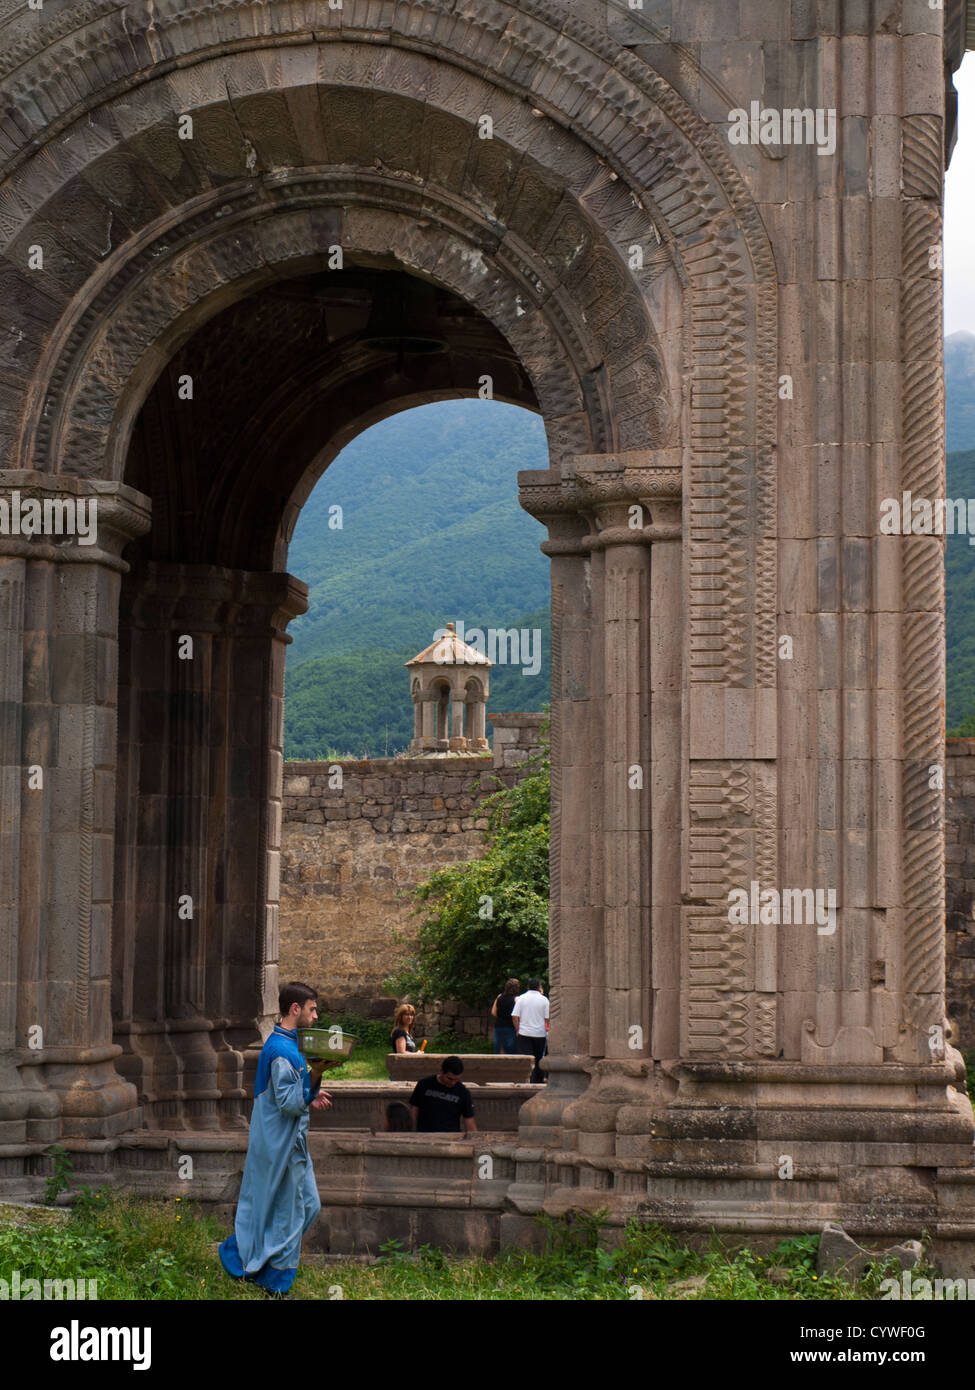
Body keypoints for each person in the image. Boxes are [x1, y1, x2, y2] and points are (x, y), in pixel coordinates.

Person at [219, 981, 336, 1295]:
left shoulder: (286, 1045)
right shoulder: (282, 1049)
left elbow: (284, 1094)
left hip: (289, 1143)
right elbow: (285, 1104)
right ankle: (272, 1281)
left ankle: (255, 1262)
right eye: (312, 1010)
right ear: (295, 1009)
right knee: (289, 1213)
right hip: (278, 1145)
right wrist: (316, 1072)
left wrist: (309, 1092)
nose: (314, 1018)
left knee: (307, 1206)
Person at [409, 1056, 477, 1134]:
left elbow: (469, 1121)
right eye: (449, 1079)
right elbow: (414, 1109)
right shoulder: (424, 1085)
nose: (453, 1083)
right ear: (441, 1071)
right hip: (425, 1134)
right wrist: (412, 1132)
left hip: (451, 1136)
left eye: (456, 1079)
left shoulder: (463, 1092)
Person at [512, 978, 549, 1084]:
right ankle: (538, 1080)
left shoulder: (522, 999)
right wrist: (546, 1029)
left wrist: (518, 1029)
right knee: (538, 1058)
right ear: (539, 987)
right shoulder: (544, 1000)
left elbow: (515, 1016)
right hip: (540, 1034)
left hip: (524, 1033)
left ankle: (527, 1080)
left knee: (526, 1058)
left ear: (528, 987)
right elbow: (547, 1018)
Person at [491, 978, 520, 1054]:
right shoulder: (516, 999)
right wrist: (518, 1028)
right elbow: (516, 1016)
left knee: (499, 1050)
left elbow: (493, 1012)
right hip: (511, 1027)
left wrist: (502, 1016)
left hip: (498, 1026)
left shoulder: (499, 996)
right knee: (510, 1050)